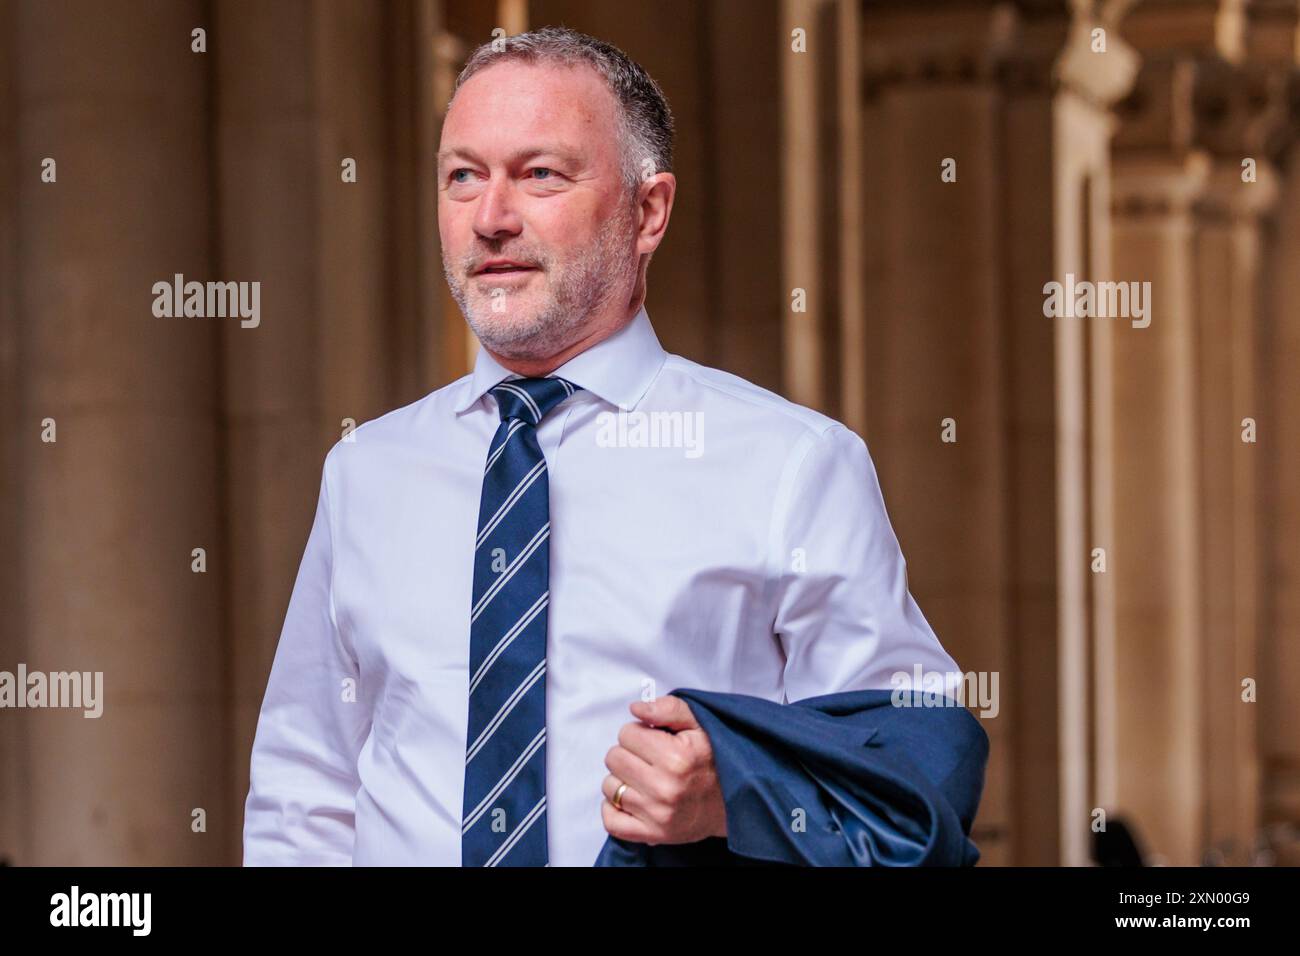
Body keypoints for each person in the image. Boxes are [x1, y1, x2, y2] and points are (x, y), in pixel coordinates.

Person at [243, 25, 963, 867]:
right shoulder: (364, 472)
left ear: (647, 211)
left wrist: (739, 795)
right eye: (463, 176)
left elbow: (909, 784)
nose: (491, 218)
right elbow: (307, 782)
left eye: (539, 174)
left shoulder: (795, 467)